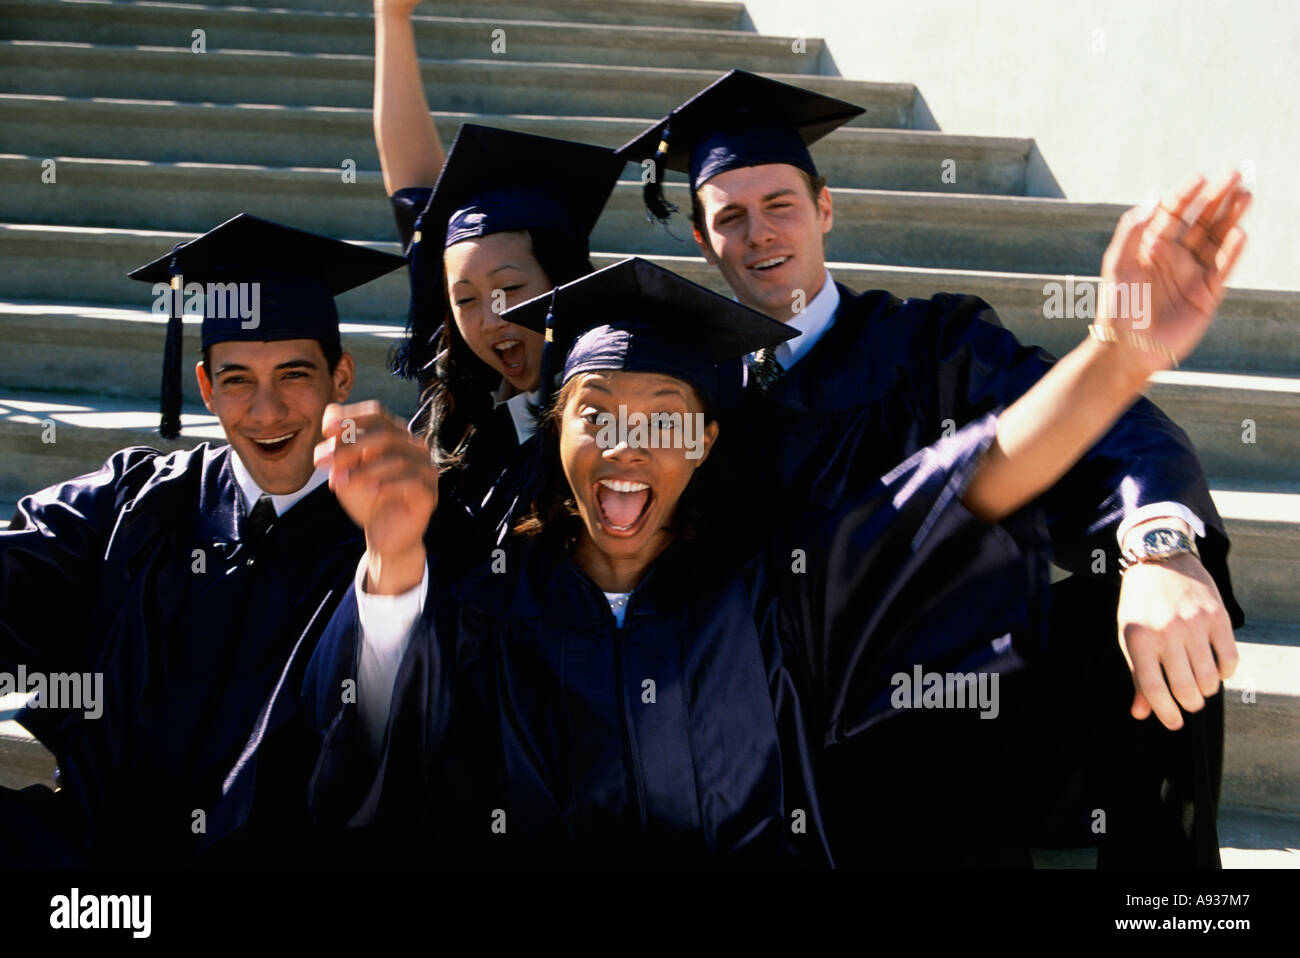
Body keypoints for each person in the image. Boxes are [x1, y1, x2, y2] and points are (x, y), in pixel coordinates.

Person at [297, 217, 1239, 863]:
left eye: (665, 415)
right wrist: (390, 561)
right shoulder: (488, 606)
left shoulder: (775, 592)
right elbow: (369, 766)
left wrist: (1116, 354)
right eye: (596, 412)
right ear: (555, 431)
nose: (627, 444)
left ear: (707, 441)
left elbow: (972, 478)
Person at [616, 70, 1251, 866]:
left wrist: (1162, 546)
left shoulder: (930, 345)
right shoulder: (700, 398)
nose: (760, 234)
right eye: (731, 217)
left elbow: (1111, 426)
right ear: (706, 241)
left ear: (824, 210)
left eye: (780, 204)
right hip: (816, 751)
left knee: (1154, 611)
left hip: (975, 706)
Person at [0, 214, 405, 865]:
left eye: (295, 375)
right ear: (206, 388)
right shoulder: (136, 501)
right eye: (238, 379)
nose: (266, 412)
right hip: (97, 858)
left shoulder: (394, 531)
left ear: (343, 378)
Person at [370, 1, 624, 558]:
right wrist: (392, 17)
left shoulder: (620, 413)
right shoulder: (459, 404)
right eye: (465, 299)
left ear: (562, 282)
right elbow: (412, 185)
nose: (488, 318)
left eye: (510, 291)